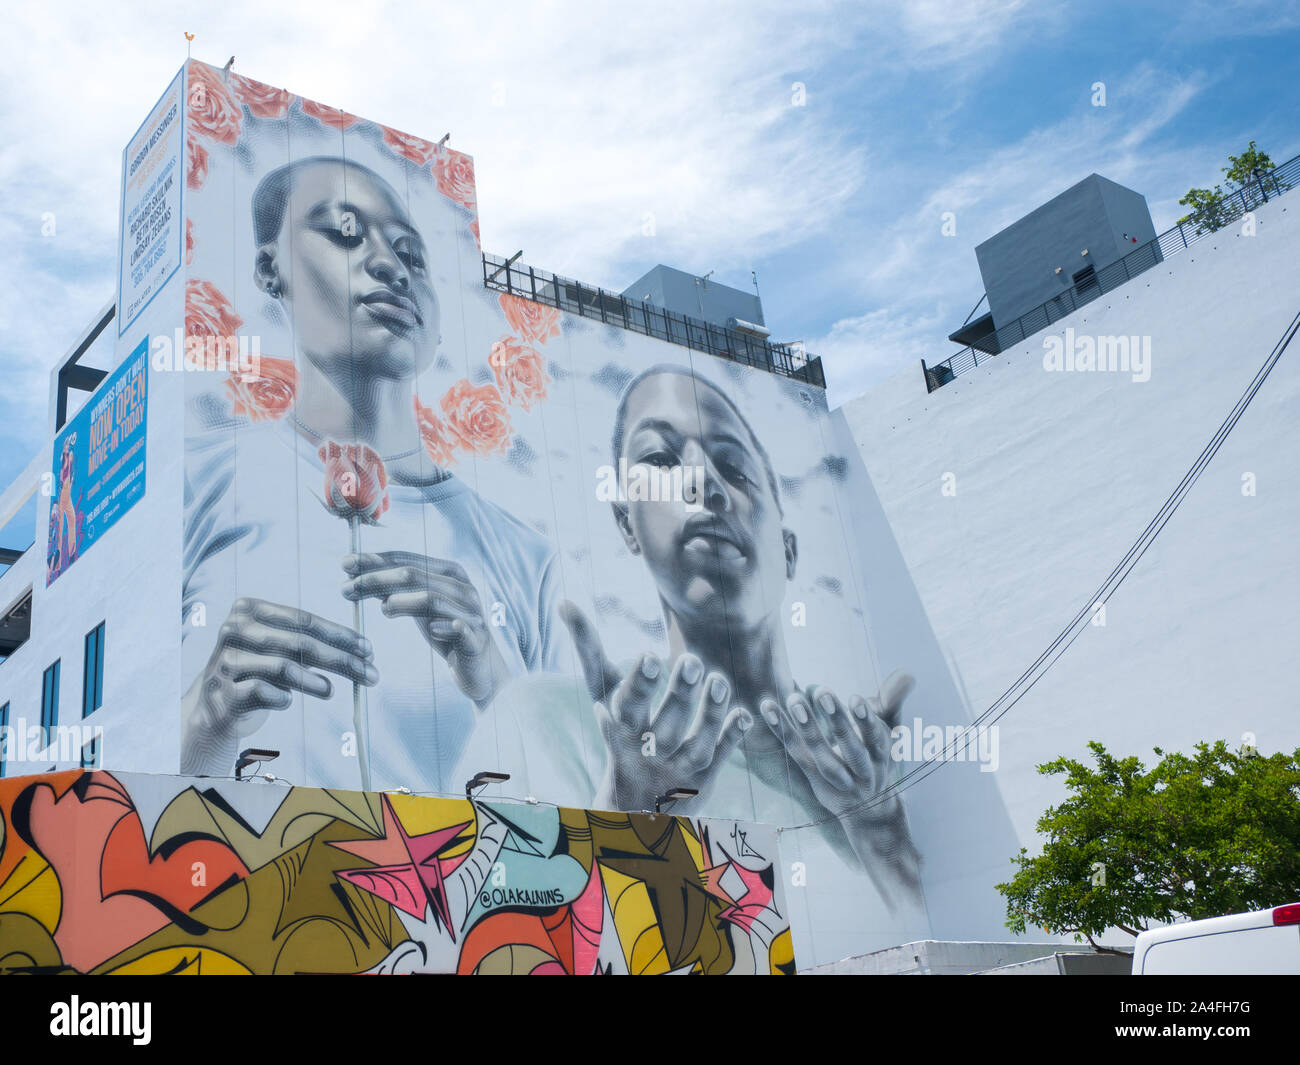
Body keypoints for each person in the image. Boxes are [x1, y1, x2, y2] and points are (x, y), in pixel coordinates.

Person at [462, 363, 926, 920]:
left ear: (789, 548)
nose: (703, 481)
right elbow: (499, 936)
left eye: (732, 465)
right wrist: (626, 811)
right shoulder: (543, 720)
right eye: (659, 459)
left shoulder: (863, 755)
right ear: (627, 524)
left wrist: (876, 821)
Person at [181, 157, 565, 790]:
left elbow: (582, 817)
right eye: (345, 232)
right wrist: (206, 723)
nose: (389, 264)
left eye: (411, 254)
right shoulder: (202, 482)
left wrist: (497, 685)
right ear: (268, 267)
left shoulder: (524, 556)